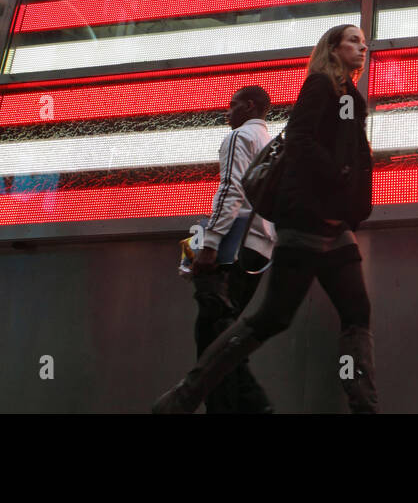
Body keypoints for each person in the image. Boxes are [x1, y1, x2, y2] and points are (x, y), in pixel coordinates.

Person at [154, 25, 377, 413]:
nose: (363, 46)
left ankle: (365, 405)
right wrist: (338, 180)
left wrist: (355, 201)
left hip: (334, 225)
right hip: (306, 222)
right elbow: (302, 141)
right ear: (333, 49)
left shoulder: (350, 98)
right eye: (353, 41)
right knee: (272, 318)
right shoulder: (319, 87)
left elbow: (355, 153)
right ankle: (185, 396)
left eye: (363, 41)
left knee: (357, 313)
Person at [188, 85, 276, 413]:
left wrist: (210, 244)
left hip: (233, 247)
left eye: (233, 105)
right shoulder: (271, 144)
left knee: (212, 340)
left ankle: (251, 406)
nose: (228, 112)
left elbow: (230, 188)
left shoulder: (240, 137)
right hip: (260, 247)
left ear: (249, 106)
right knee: (227, 334)